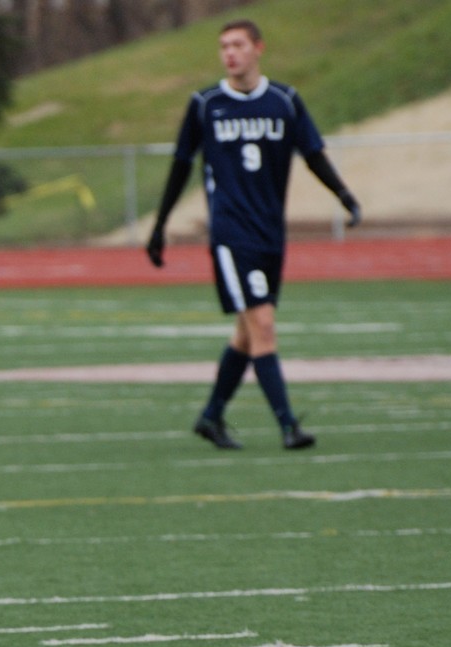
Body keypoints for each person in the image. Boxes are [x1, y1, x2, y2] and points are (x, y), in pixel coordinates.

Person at [146, 18, 359, 451]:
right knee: (263, 323)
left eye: (238, 44)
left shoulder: (285, 101)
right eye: (224, 46)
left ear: (258, 48)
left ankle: (210, 417)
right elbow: (181, 165)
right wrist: (159, 225)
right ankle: (288, 426)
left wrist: (343, 194)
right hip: (230, 232)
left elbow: (313, 153)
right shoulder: (205, 104)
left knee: (247, 333)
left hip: (270, 233)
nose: (230, 53)